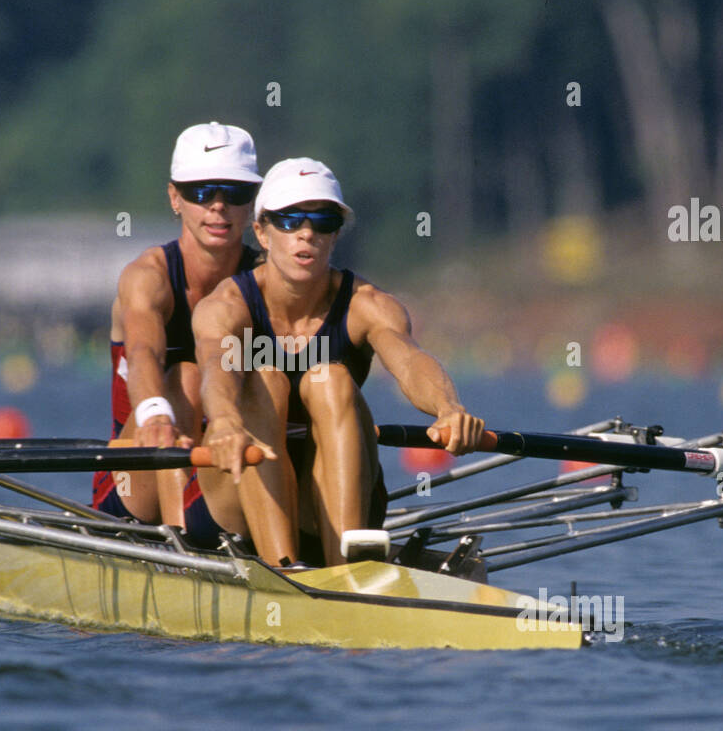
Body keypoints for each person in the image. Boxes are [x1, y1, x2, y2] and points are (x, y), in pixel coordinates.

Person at [192, 157, 485, 567]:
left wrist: (449, 409)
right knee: (264, 378)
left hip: (327, 509)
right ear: (261, 232)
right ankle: (284, 568)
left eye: (323, 221)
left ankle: (344, 571)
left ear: (336, 235)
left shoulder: (368, 305)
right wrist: (223, 419)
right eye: (290, 220)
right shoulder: (227, 305)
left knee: (330, 379)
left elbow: (408, 360)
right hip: (237, 503)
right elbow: (216, 366)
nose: (307, 233)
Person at [91, 122, 263, 541]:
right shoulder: (148, 277)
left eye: (235, 193)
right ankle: (180, 548)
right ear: (175, 198)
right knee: (184, 376)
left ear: (252, 203)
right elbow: (146, 350)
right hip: (133, 480)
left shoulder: (266, 279)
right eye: (202, 192)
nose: (218, 207)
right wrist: (154, 414)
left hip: (221, 473)